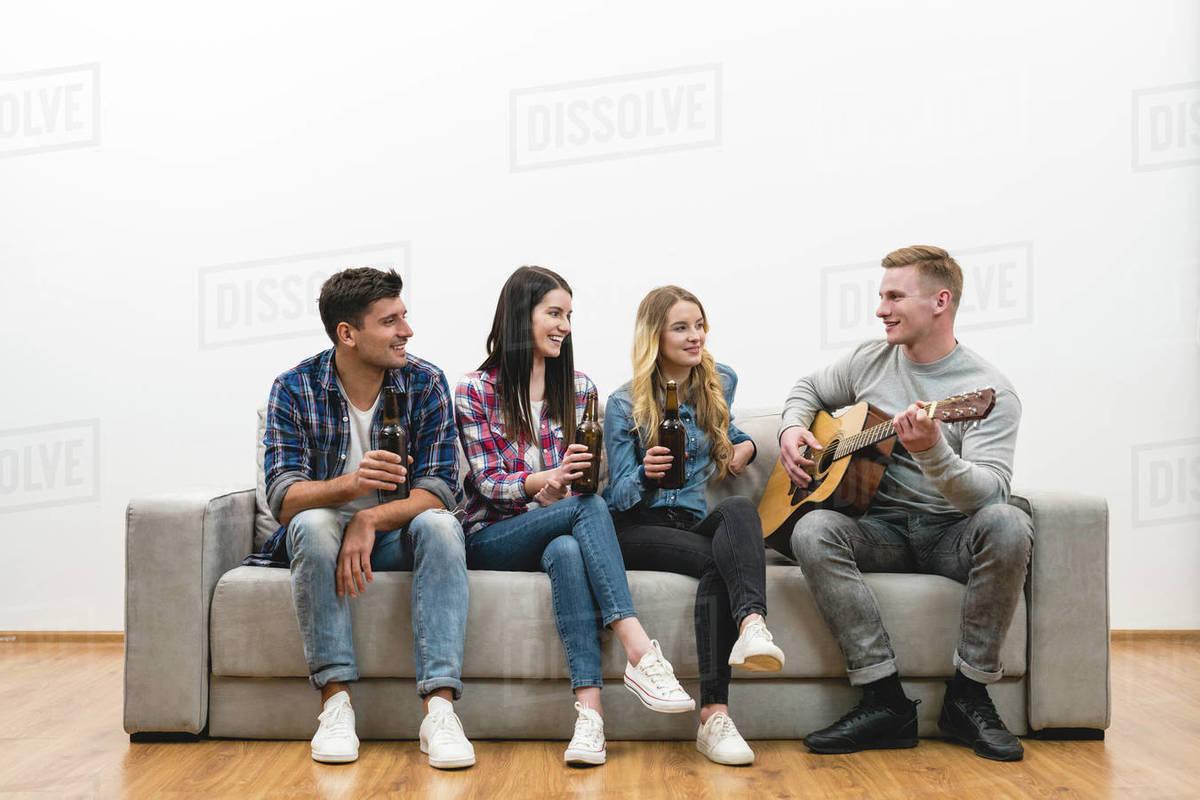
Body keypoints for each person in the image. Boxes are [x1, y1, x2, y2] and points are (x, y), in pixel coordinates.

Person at [781, 246, 1033, 762]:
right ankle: (883, 699)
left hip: (951, 535)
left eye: (895, 296)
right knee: (812, 529)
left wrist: (932, 450)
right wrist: (791, 425)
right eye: (881, 296)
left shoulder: (986, 393)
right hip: (881, 531)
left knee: (1010, 523)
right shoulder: (870, 359)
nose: (880, 309)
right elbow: (808, 387)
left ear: (940, 301)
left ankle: (969, 696)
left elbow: (989, 494)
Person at [455, 266, 694, 767]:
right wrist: (547, 481)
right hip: (493, 536)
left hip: (556, 530)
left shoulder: (581, 389)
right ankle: (637, 648)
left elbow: (591, 483)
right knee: (588, 507)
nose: (564, 325)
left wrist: (570, 483)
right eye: (553, 313)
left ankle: (590, 717)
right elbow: (487, 485)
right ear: (521, 318)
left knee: (568, 544)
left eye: (568, 316)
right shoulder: (475, 390)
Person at [254, 267, 475, 769]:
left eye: (404, 317)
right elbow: (283, 499)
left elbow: (440, 490)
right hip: (323, 534)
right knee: (309, 524)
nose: (406, 331)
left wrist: (370, 520)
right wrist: (353, 487)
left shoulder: (425, 381)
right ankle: (335, 704)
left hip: (396, 533)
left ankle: (439, 712)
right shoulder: (294, 388)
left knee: (442, 526)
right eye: (389, 322)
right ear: (347, 334)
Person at [604, 286, 786, 766]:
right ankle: (715, 715)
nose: (695, 336)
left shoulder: (719, 380)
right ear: (655, 337)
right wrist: (646, 473)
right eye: (681, 328)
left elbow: (734, 434)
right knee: (720, 564)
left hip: (688, 522)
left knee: (741, 512)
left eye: (700, 325)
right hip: (634, 526)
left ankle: (752, 624)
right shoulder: (624, 403)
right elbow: (614, 497)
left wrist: (742, 449)